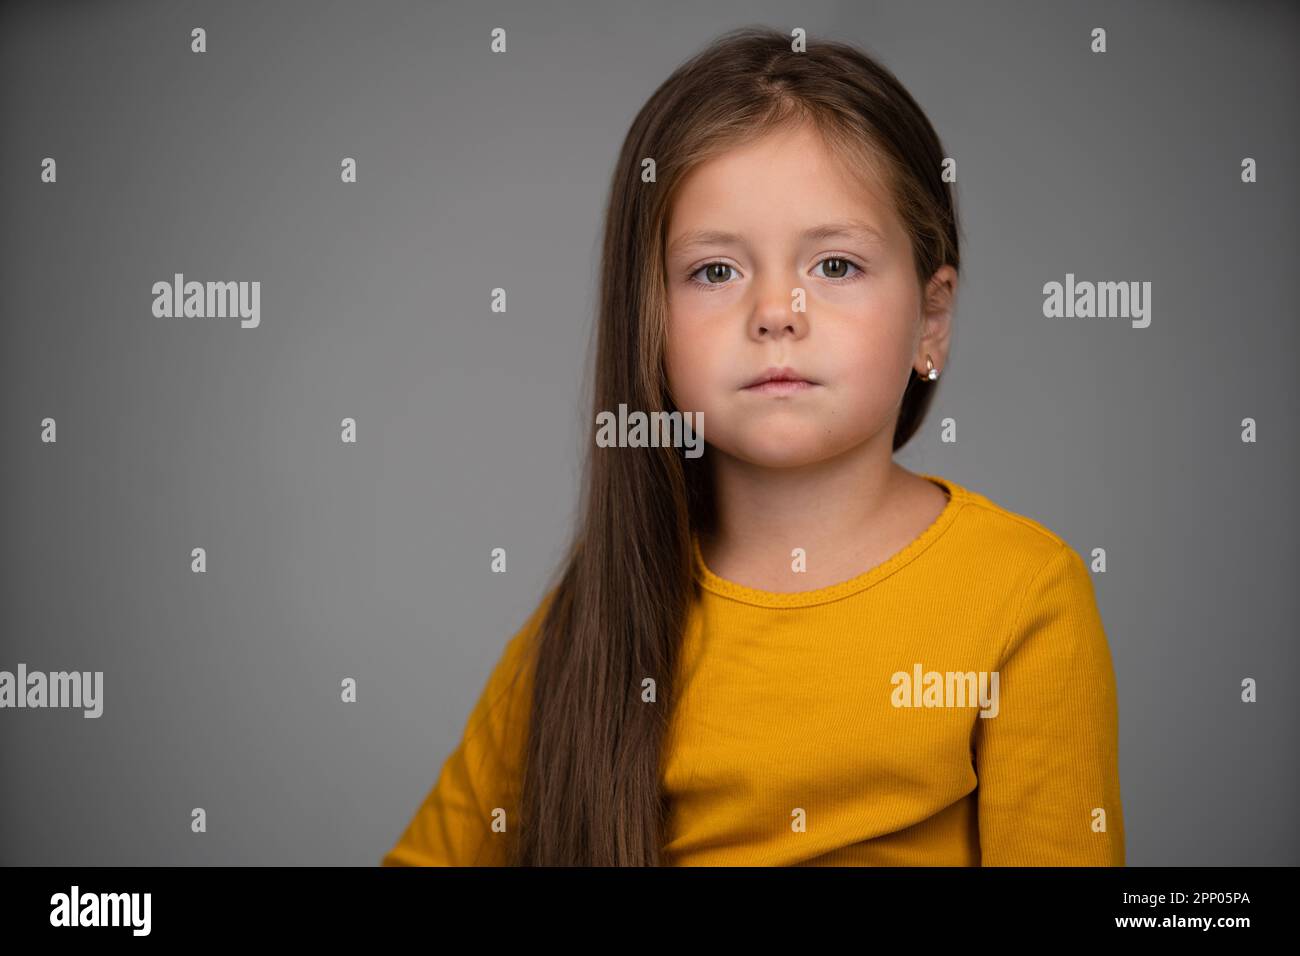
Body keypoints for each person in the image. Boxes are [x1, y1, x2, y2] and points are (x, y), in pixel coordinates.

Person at [382, 26, 1124, 867]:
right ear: (650, 327)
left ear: (933, 318)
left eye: (836, 265)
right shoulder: (595, 613)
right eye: (716, 272)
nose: (778, 310)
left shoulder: (1023, 597)